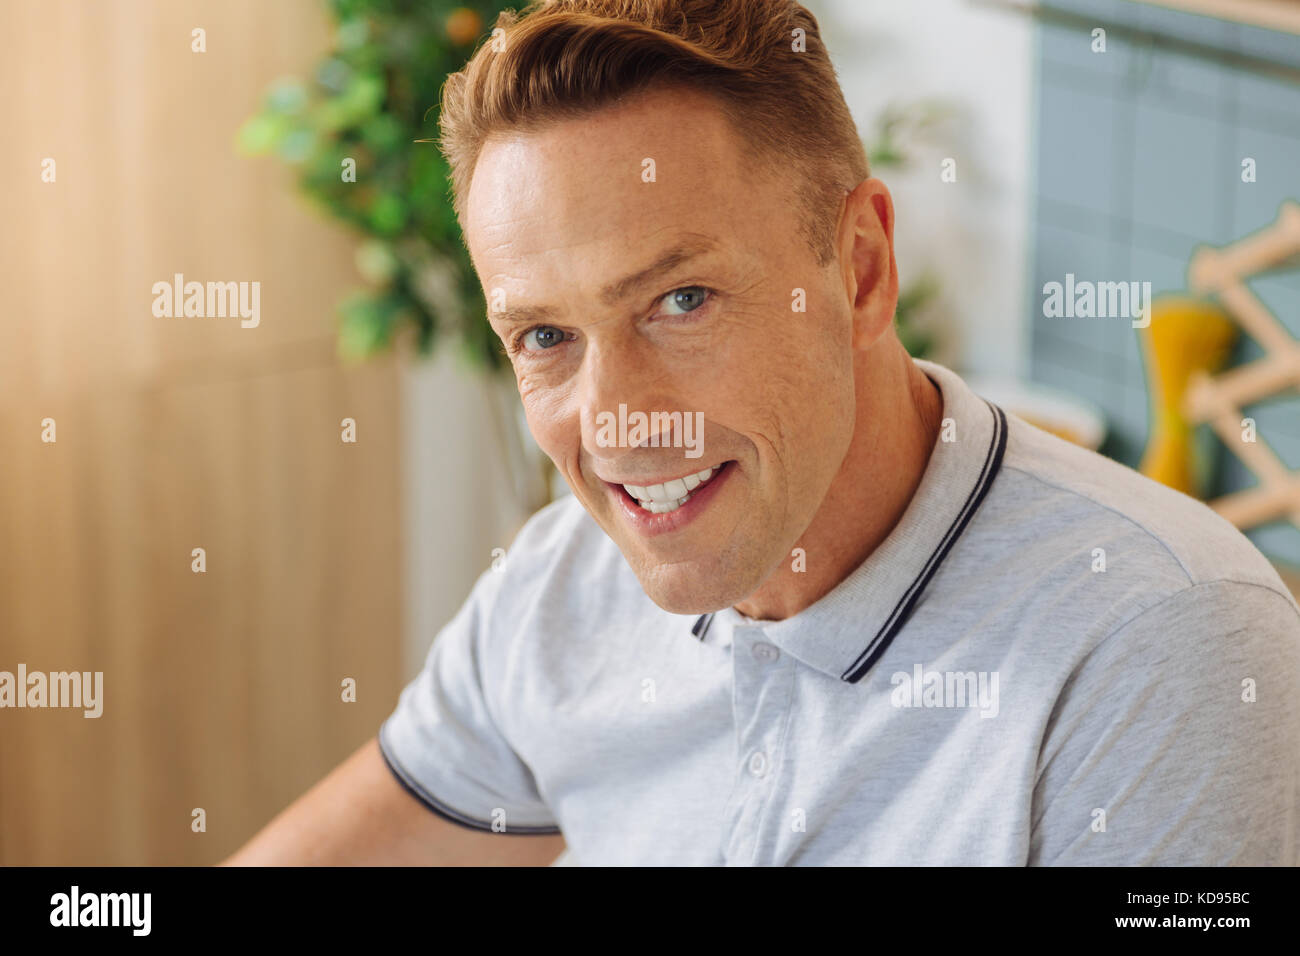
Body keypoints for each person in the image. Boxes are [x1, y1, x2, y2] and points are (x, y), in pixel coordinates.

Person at [222, 0, 1300, 866]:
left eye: (680, 301)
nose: (615, 420)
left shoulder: (1169, 643)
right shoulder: (555, 590)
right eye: (545, 333)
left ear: (861, 270)